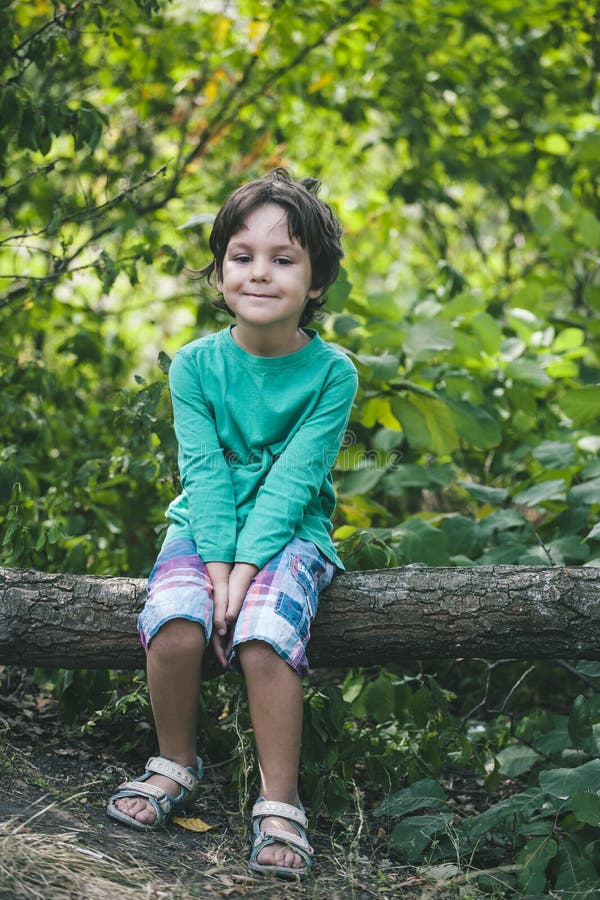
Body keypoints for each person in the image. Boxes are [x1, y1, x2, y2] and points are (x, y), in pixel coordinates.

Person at [106, 168, 358, 880]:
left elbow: (294, 483)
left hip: (291, 535)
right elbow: (206, 475)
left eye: (284, 260)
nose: (259, 273)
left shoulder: (333, 373)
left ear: (315, 282)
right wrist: (216, 571)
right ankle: (174, 763)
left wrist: (245, 577)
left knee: (262, 637)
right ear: (217, 274)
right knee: (179, 622)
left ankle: (280, 802)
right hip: (203, 529)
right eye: (241, 257)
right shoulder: (194, 366)